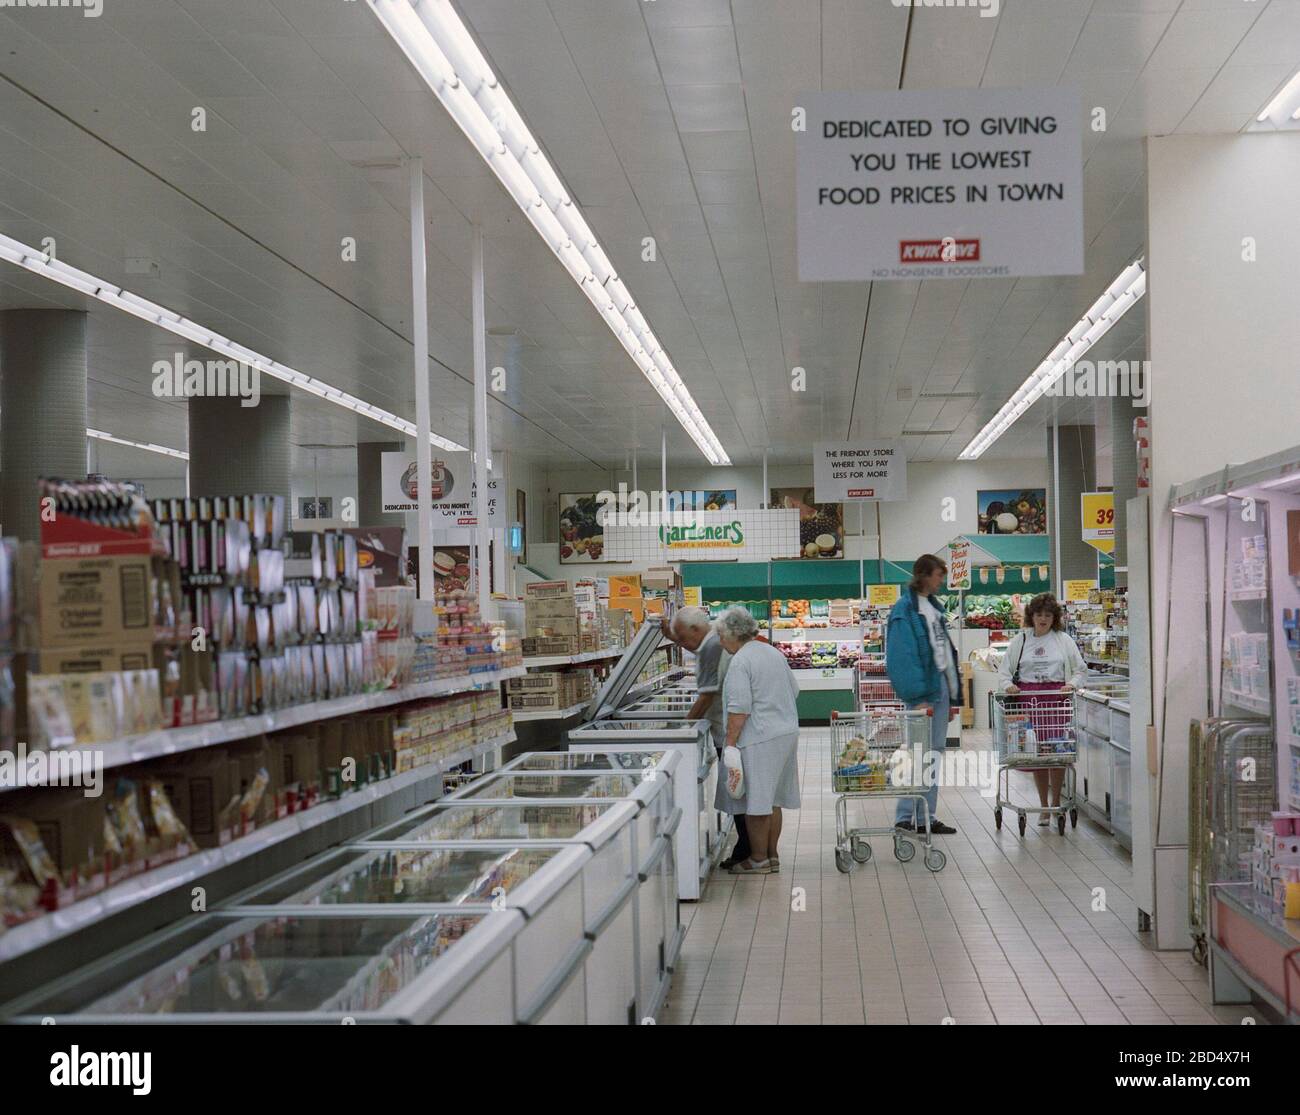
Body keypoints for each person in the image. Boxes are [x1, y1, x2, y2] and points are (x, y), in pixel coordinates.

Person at [660, 607, 751, 866]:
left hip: (728, 730)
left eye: (683, 637)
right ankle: (748, 848)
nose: (684, 644)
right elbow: (699, 650)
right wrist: (674, 638)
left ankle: (745, 849)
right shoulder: (710, 641)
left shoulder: (712, 646)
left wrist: (684, 728)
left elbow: (707, 694)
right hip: (731, 728)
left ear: (695, 630)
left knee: (736, 790)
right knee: (738, 787)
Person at [715, 605, 801, 875]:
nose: (720, 642)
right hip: (785, 732)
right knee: (773, 799)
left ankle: (758, 859)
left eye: (721, 636)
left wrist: (729, 743)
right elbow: (795, 690)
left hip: (760, 737)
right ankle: (772, 856)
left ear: (733, 634)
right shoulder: (772, 652)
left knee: (757, 802)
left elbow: (739, 707)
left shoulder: (741, 661)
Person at [884, 554, 961, 836]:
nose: (942, 580)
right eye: (939, 575)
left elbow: (944, 654)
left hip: (938, 687)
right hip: (922, 691)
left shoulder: (934, 608)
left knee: (934, 754)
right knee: (917, 754)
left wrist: (952, 696)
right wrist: (918, 695)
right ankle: (905, 816)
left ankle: (926, 816)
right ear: (925, 575)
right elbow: (902, 658)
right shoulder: (904, 610)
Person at [996, 592, 1088, 825]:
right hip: (1029, 700)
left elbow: (1080, 669)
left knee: (1056, 753)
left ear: (1054, 617)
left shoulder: (1063, 640)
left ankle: (1056, 801)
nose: (1043, 619)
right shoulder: (1021, 640)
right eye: (1039, 614)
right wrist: (1009, 687)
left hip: (1056, 700)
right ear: (1031, 616)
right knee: (1036, 752)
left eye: (1048, 615)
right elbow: (1004, 671)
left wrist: (1072, 685)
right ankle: (1044, 806)